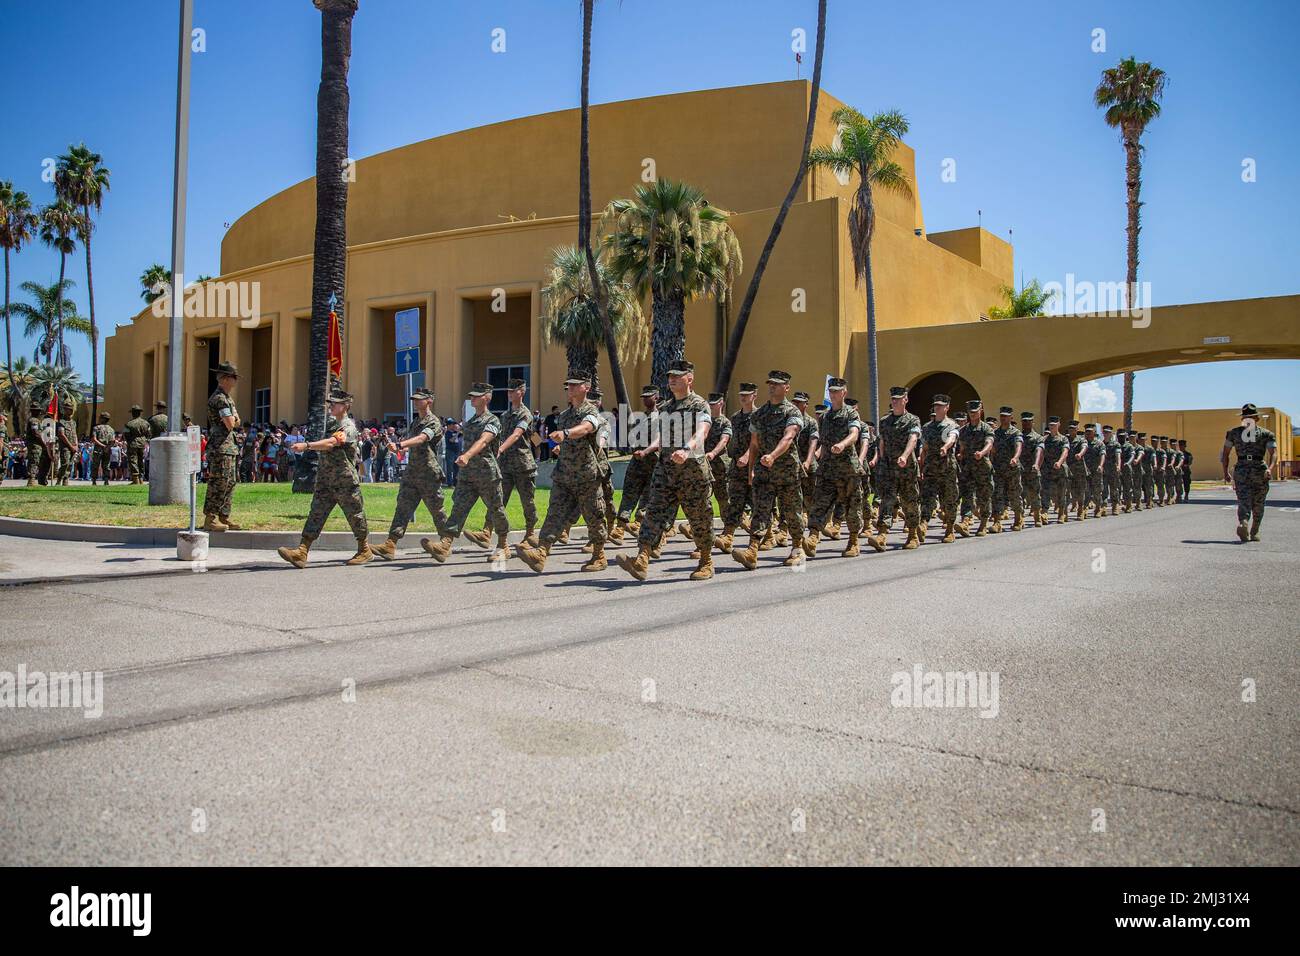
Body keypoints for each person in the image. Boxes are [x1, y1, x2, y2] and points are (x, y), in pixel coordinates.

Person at [617, 360, 715, 581]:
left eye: (677, 376)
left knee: (699, 517)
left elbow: (702, 432)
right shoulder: (665, 408)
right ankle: (642, 558)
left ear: (689, 379)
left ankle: (706, 560)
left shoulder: (699, 405)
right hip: (665, 471)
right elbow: (663, 437)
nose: (671, 379)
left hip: (692, 473)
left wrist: (687, 449)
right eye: (670, 376)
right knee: (653, 513)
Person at [516, 370, 608, 574]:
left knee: (594, 516)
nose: (570, 388)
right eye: (569, 385)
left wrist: (566, 434)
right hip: (564, 474)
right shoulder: (564, 416)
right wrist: (560, 446)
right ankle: (541, 552)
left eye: (575, 385)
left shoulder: (591, 412)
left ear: (587, 387)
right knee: (554, 513)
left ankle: (599, 555)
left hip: (586, 475)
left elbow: (586, 428)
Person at [278, 387, 371, 567]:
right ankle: (302, 551)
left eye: (334, 403)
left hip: (344, 480)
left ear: (345, 406)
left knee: (355, 515)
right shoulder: (332, 425)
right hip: (326, 479)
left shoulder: (348, 427)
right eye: (330, 403)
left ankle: (364, 549)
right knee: (316, 514)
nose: (330, 406)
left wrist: (306, 445)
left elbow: (332, 443)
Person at [422, 383, 510, 564]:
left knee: (496, 509)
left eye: (477, 396)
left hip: (487, 473)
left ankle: (503, 545)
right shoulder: (470, 423)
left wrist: (467, 455)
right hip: (468, 475)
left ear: (487, 397)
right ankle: (445, 544)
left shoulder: (492, 420)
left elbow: (485, 441)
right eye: (472, 395)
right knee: (458, 508)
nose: (473, 398)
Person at [732, 370, 806, 569]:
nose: (772, 386)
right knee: (760, 510)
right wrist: (750, 471)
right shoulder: (760, 414)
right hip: (764, 472)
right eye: (770, 383)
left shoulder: (792, 412)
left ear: (786, 388)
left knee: (792, 512)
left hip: (787, 471)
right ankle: (752, 551)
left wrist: (773, 456)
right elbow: (754, 444)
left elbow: (789, 437)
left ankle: (797, 549)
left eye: (777, 384)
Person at [372, 387, 451, 561]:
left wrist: (401, 445)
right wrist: (398, 447)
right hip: (412, 472)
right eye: (414, 400)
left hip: (428, 472)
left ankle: (446, 543)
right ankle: (390, 544)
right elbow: (412, 442)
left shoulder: (433, 422)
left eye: (419, 399)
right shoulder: (416, 422)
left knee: (436, 508)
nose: (415, 402)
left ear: (429, 401)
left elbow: (423, 438)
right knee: (403, 506)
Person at [802, 377, 863, 556]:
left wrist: (843, 444)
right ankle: (813, 537)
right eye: (831, 391)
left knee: (852, 505)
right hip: (827, 468)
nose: (833, 394)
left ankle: (853, 541)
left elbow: (854, 434)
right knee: (819, 503)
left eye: (837, 391)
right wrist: (816, 454)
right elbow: (822, 440)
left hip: (847, 469)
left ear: (844, 393)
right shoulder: (826, 416)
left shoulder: (851, 413)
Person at [490, 378, 538, 545]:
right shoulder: (505, 415)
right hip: (505, 466)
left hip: (523, 465)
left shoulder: (526, 414)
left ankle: (530, 532)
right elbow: (502, 435)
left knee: (527, 501)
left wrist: (501, 449)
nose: (510, 394)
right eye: (508, 391)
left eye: (513, 391)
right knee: (498, 499)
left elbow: (519, 434)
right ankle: (486, 531)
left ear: (522, 392)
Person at [1222, 403, 1276, 543]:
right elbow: (1273, 454)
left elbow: (1225, 454)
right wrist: (1270, 468)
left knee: (1243, 500)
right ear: (1257, 418)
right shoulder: (1266, 434)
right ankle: (1254, 530)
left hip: (1242, 469)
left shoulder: (1233, 433)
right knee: (1259, 503)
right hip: (1259, 469)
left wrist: (1226, 472)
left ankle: (1244, 522)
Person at [714, 381, 758, 553]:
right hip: (736, 467)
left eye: (747, 394)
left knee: (758, 504)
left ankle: (767, 535)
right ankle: (728, 535)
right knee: (735, 502)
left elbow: (758, 441)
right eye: (741, 394)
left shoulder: (759, 415)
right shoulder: (735, 417)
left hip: (754, 466)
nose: (743, 397)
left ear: (754, 395)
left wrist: (748, 456)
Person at [612, 386, 660, 539]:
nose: (645, 399)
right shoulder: (640, 418)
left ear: (656, 397)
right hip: (637, 460)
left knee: (648, 493)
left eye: (648, 396)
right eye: (644, 397)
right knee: (629, 491)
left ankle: (639, 522)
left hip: (653, 461)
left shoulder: (662, 417)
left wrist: (646, 451)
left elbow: (661, 441)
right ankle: (621, 526)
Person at [203, 361, 242, 531]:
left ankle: (223, 516)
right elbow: (231, 423)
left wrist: (235, 420)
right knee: (219, 482)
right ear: (225, 379)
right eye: (234, 377)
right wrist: (234, 420)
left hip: (228, 446)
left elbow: (237, 420)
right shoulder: (219, 399)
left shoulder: (227, 398)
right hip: (220, 447)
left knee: (230, 482)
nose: (235, 381)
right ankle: (210, 517)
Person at [917, 393, 960, 543]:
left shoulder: (952, 425)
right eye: (936, 405)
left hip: (947, 468)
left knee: (949, 499)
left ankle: (949, 529)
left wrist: (945, 447)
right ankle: (923, 524)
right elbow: (924, 446)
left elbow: (952, 437)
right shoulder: (927, 427)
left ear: (947, 407)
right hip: (930, 468)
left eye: (940, 405)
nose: (937, 408)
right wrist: (920, 463)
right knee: (927, 497)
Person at [956, 399, 995, 537]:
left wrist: (982, 452)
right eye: (970, 412)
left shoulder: (986, 428)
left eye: (975, 412)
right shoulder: (963, 430)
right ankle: (965, 521)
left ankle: (983, 523)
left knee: (983, 496)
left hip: (982, 467)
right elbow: (962, 446)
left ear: (981, 411)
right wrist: (961, 453)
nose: (972, 414)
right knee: (967, 494)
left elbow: (989, 443)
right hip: (967, 467)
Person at [990, 405, 1024, 532]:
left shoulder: (1016, 433)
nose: (1003, 418)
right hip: (998, 469)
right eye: (1002, 416)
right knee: (997, 495)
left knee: (1014, 494)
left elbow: (1019, 446)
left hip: (1012, 469)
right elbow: (992, 449)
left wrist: (1015, 457)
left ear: (1011, 417)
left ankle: (1018, 519)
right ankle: (997, 522)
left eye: (1006, 416)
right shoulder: (995, 433)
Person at [1039, 416, 1070, 523]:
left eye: (1054, 424)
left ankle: (1061, 512)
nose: (1052, 426)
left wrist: (1059, 462)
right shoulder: (1044, 439)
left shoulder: (1063, 439)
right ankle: (1044, 512)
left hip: (1060, 470)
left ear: (1059, 425)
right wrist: (1038, 465)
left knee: (1061, 492)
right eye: (1050, 424)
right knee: (1045, 491)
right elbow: (1041, 452)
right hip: (1047, 470)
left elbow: (1065, 452)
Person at [1019, 412, 1045, 526]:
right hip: (1019, 470)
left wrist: (1036, 464)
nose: (1026, 423)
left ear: (1032, 422)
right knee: (1018, 495)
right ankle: (1019, 518)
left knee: (1034, 494)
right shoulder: (1017, 436)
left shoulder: (1038, 437)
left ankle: (1037, 516)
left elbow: (1040, 451)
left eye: (1028, 421)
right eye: (1024, 421)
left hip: (1032, 470)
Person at [124, 404, 151, 484]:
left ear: (133, 413)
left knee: (133, 460)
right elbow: (149, 434)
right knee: (140, 460)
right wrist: (145, 440)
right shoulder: (146, 423)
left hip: (133, 443)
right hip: (142, 443)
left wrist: (130, 442)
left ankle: (135, 479)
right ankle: (141, 479)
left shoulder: (129, 424)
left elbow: (126, 435)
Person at [56, 399, 78, 486]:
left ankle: (66, 480)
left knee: (70, 464)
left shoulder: (73, 422)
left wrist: (76, 444)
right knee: (65, 463)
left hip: (73, 445)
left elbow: (75, 434)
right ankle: (59, 479)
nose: (69, 410)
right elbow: (61, 435)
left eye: (70, 409)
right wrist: (71, 446)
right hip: (65, 446)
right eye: (67, 409)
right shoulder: (61, 422)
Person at [90, 412, 113, 484]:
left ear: (103, 419)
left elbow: (94, 439)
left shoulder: (96, 428)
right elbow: (113, 441)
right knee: (106, 465)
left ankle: (94, 481)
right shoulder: (111, 429)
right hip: (107, 449)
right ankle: (106, 480)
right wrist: (107, 447)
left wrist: (103, 446)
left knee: (95, 465)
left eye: (100, 417)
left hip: (98, 449)